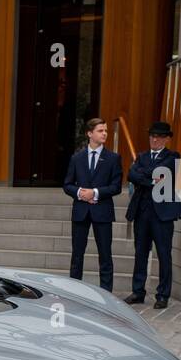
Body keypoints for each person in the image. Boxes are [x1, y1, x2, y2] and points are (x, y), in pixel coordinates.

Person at [124, 121, 181, 310]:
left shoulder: (173, 157)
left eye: (159, 136)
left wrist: (143, 176)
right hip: (142, 212)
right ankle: (138, 291)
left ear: (167, 139)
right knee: (140, 252)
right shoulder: (141, 156)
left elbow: (162, 174)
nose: (154, 139)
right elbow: (131, 175)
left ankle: (162, 295)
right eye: (152, 136)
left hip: (162, 215)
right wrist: (150, 179)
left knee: (163, 254)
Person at [62, 118, 122, 292]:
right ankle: (74, 291)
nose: (104, 133)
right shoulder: (77, 158)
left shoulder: (113, 158)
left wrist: (95, 193)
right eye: (100, 131)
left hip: (102, 212)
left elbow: (116, 186)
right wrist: (81, 193)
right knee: (77, 255)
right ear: (89, 134)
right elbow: (67, 184)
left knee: (105, 255)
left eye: (106, 131)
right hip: (81, 212)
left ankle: (106, 293)